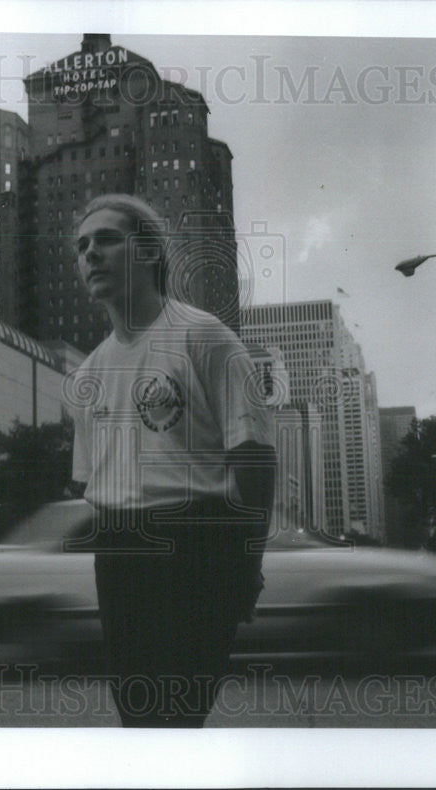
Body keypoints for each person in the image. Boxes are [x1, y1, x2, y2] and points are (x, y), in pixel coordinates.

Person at [64, 194, 276, 727]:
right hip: (119, 554)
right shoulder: (87, 375)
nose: (91, 254)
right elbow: (89, 485)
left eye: (107, 239)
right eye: (82, 246)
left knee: (179, 718)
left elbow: (255, 458)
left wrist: (246, 564)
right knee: (137, 718)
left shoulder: (204, 337)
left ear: (150, 252)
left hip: (197, 547)